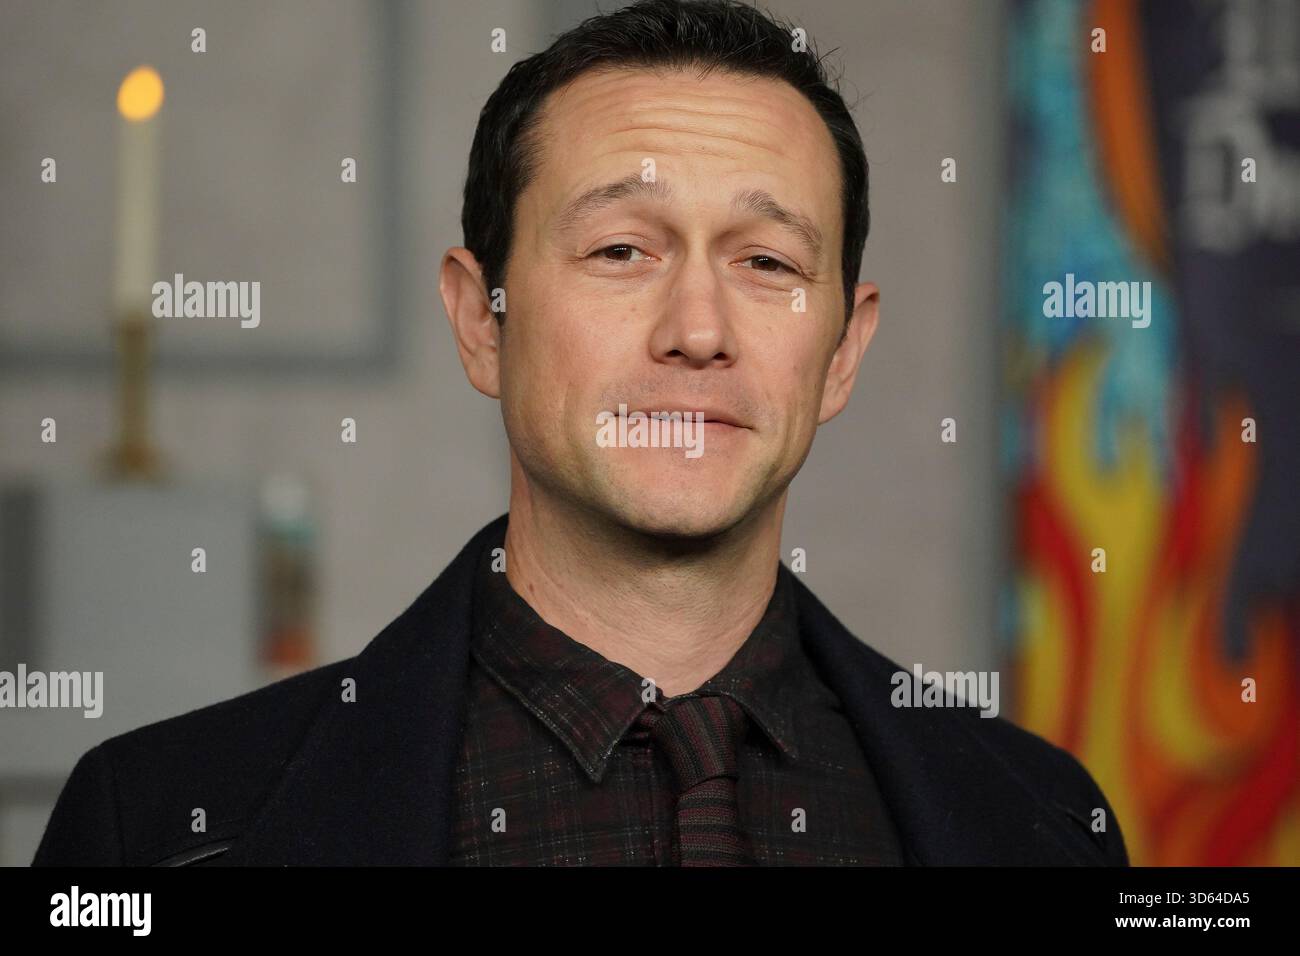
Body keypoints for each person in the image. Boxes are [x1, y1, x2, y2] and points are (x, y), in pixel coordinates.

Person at [33, 0, 1127, 866]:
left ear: (842, 348)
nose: (697, 330)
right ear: (480, 319)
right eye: (620, 251)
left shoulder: (1037, 818)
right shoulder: (162, 827)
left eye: (767, 262)